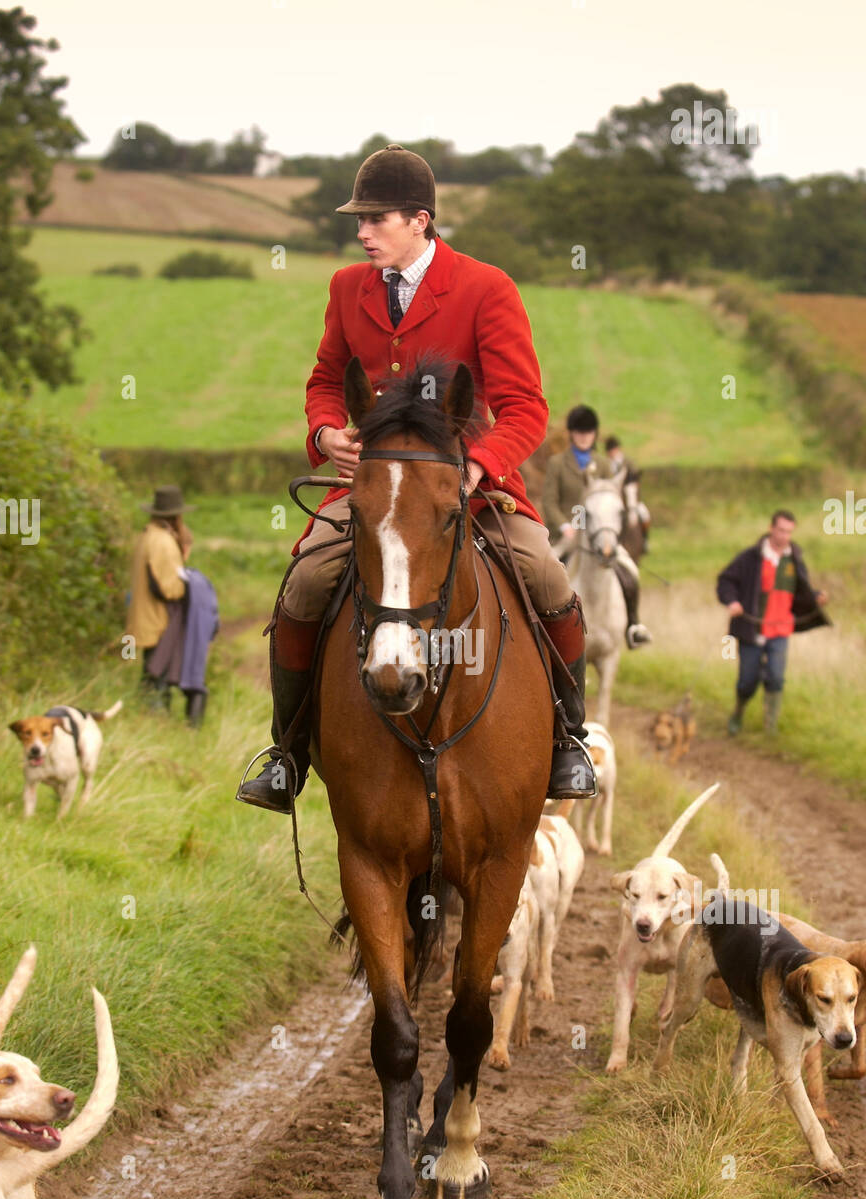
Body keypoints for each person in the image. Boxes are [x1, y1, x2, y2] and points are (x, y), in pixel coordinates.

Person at [238, 142, 597, 814]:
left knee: (546, 574)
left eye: (376, 220)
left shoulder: (487, 288)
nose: (362, 233)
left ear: (421, 221)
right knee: (308, 581)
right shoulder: (347, 287)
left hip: (469, 485)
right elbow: (324, 380)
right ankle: (286, 753)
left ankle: (567, 740)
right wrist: (326, 434)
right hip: (373, 491)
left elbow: (526, 407)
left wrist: (482, 464)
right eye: (359, 221)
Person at [542, 406, 652, 649]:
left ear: (594, 434)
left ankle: (634, 625)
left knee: (630, 569)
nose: (584, 436)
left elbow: (612, 499)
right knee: (544, 574)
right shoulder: (557, 464)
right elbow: (549, 500)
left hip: (598, 534)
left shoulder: (603, 465)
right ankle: (541, 627)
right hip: (568, 534)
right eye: (580, 432)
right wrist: (564, 525)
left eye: (588, 432)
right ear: (572, 433)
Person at [717, 509, 829, 735]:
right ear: (771, 529)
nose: (785, 536)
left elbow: (801, 589)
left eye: (789, 532)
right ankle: (738, 712)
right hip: (752, 629)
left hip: (781, 629)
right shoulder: (750, 557)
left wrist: (816, 597)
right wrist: (732, 602)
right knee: (747, 681)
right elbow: (725, 581)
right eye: (781, 530)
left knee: (776, 678)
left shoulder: (794, 560)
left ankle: (770, 727)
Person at [126, 486, 218, 725]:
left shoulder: (147, 535)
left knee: (152, 674)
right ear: (176, 515)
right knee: (158, 678)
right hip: (159, 621)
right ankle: (156, 725)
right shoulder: (164, 542)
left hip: (146, 617)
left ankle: (149, 723)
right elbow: (170, 588)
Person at [605, 434, 651, 554]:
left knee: (645, 514)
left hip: (630, 496)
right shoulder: (606, 464)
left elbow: (635, 478)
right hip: (614, 498)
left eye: (613, 450)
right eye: (610, 451)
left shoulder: (628, 462)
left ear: (618, 449)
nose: (612, 453)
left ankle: (645, 540)